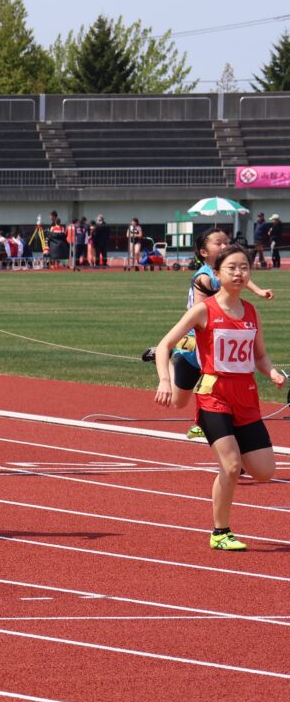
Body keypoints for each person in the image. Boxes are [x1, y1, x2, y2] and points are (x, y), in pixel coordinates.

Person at [152, 245, 285, 551]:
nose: (239, 273)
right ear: (216, 273)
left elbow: (260, 356)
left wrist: (274, 373)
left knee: (264, 472)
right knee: (231, 465)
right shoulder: (204, 310)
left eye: (244, 268)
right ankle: (220, 532)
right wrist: (164, 381)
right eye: (232, 268)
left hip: (247, 397)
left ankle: (231, 456)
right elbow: (164, 345)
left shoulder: (251, 312)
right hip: (215, 395)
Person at [140, 227, 274, 438]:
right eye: (218, 244)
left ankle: (207, 420)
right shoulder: (204, 277)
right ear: (204, 252)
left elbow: (239, 278)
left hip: (217, 338)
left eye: (226, 242)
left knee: (205, 384)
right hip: (198, 338)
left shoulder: (230, 272)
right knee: (182, 398)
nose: (225, 246)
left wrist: (258, 291)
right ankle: (163, 358)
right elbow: (228, 286)